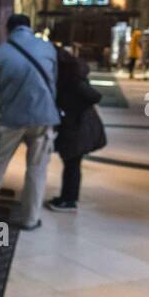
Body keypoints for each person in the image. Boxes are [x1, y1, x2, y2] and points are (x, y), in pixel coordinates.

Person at [0, 14, 60, 230]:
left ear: (8, 29)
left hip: (12, 117)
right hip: (43, 116)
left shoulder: (0, 53)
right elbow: (53, 80)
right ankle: (30, 219)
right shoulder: (47, 48)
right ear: (29, 28)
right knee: (37, 169)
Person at [48, 46, 105, 212]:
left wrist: (72, 110)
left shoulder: (72, 78)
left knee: (72, 164)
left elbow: (94, 96)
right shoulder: (72, 75)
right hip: (77, 125)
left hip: (78, 127)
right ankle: (67, 198)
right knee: (72, 163)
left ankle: (69, 200)